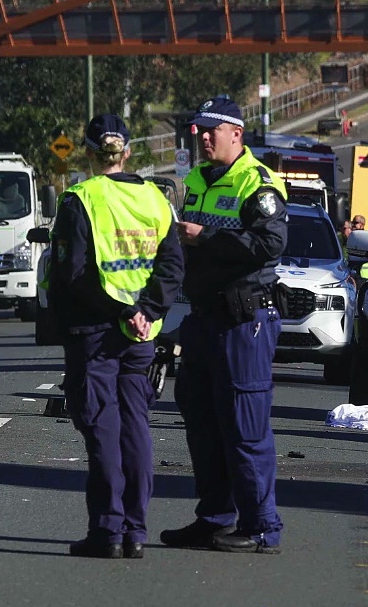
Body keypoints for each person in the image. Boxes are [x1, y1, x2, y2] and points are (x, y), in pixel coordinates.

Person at [44, 114, 184, 559]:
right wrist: (147, 311)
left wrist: (123, 311)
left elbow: (75, 274)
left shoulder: (80, 199)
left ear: (87, 152)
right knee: (135, 426)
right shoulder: (156, 200)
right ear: (126, 153)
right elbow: (173, 266)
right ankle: (136, 530)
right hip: (140, 334)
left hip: (96, 332)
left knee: (102, 427)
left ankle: (107, 529)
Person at [159, 96, 289, 554]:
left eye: (213, 129)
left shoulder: (258, 182)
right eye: (200, 129)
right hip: (204, 318)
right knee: (202, 421)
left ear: (237, 132)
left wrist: (205, 237)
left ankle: (260, 527)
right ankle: (214, 517)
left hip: (244, 320)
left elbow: (270, 243)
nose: (204, 136)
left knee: (244, 425)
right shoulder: (195, 181)